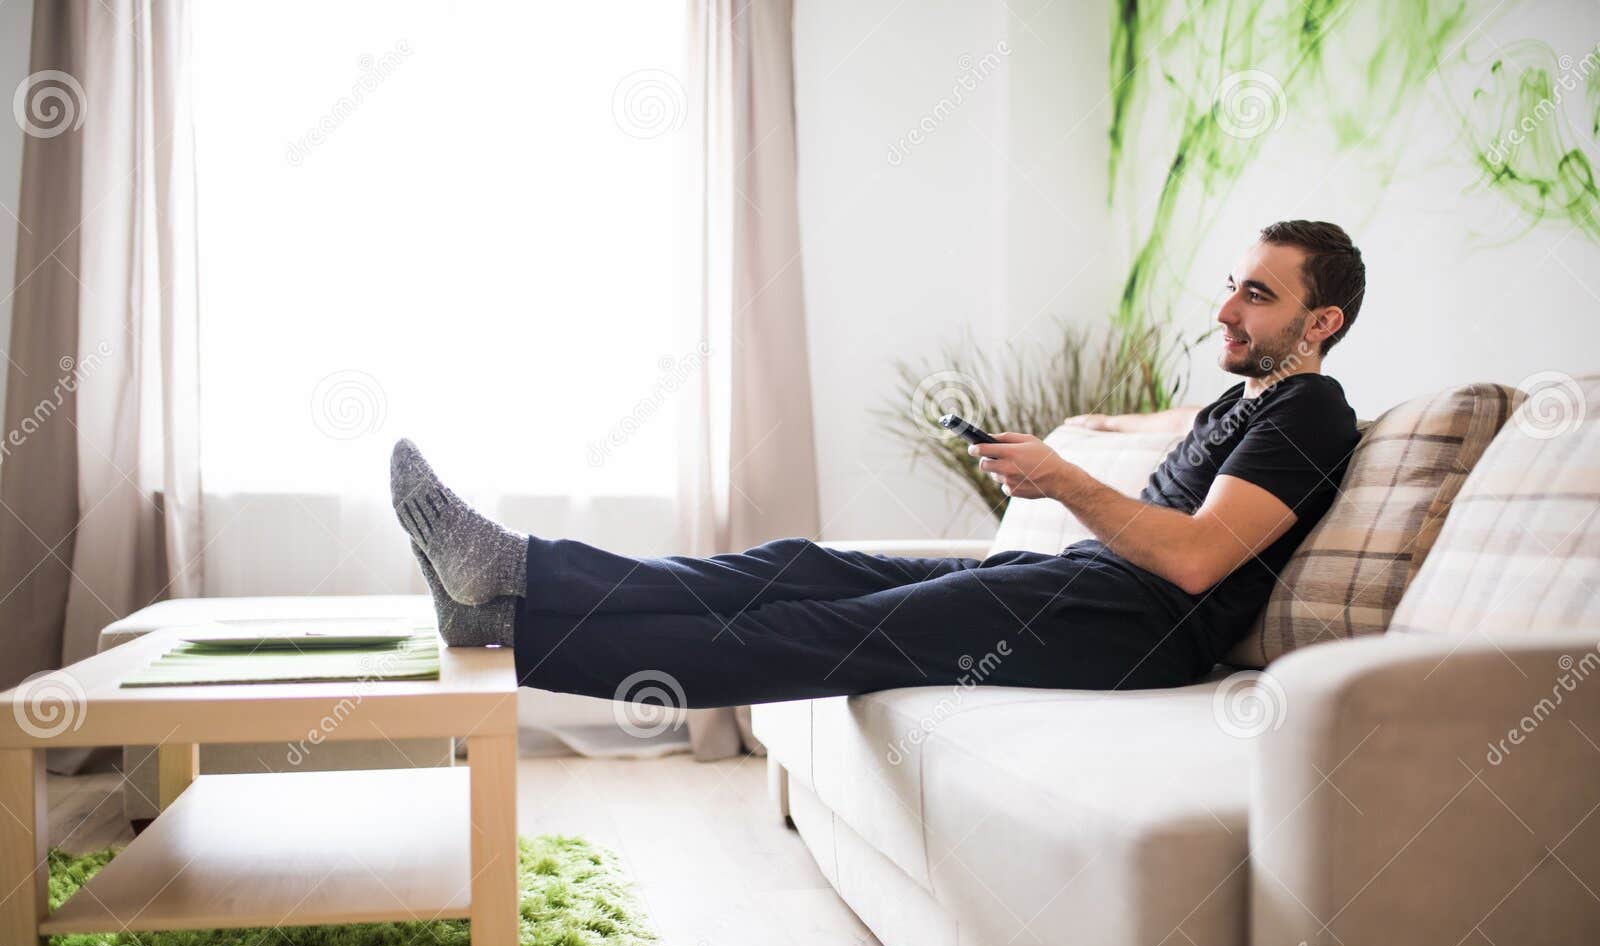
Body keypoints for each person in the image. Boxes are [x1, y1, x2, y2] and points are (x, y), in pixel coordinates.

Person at [391, 220, 1363, 708]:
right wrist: (1078, 438)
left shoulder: (1313, 411)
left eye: (1259, 296)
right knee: (797, 562)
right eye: (1232, 285)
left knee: (812, 629)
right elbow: (1189, 451)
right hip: (1074, 585)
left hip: (1130, 631)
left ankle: (516, 606)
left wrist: (1062, 479)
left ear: (1320, 324)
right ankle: (497, 597)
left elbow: (1196, 558)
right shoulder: (1250, 401)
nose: (1228, 309)